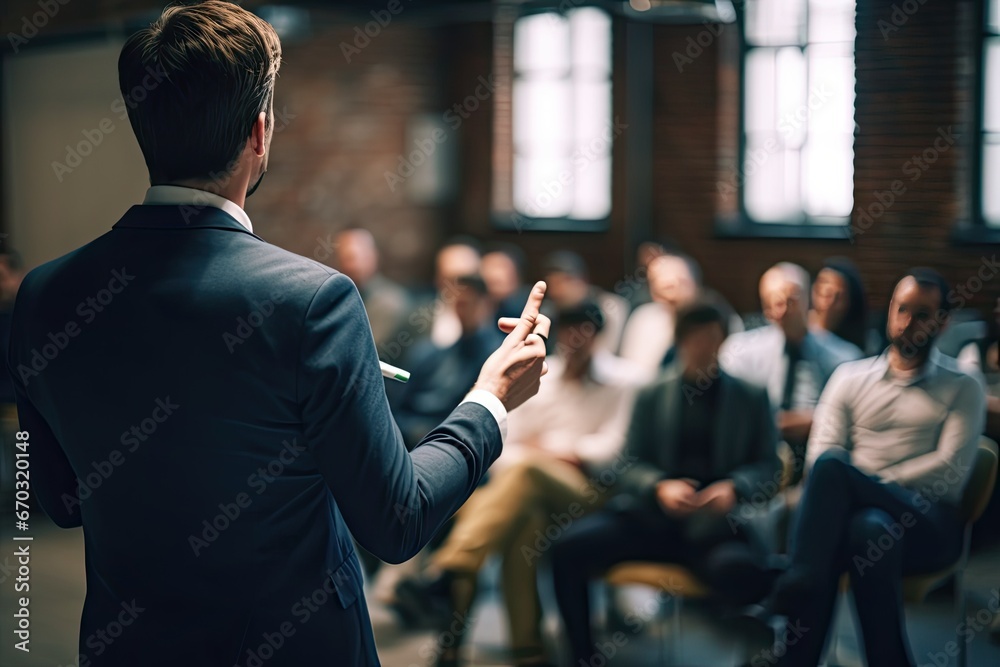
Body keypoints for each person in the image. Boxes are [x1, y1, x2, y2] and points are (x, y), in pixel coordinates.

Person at [5, 4, 550, 666]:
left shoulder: (44, 296)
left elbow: (60, 498)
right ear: (260, 133)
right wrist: (490, 399)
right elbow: (397, 517)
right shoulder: (312, 301)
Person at [756, 268, 986, 666]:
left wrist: (862, 483)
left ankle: (794, 591)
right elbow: (817, 458)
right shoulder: (850, 378)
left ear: (942, 322)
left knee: (836, 473)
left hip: (929, 522)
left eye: (922, 314)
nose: (907, 322)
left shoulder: (963, 385)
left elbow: (949, 473)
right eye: (902, 309)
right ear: (891, 310)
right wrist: (860, 491)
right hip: (864, 524)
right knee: (867, 528)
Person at [405, 301, 642, 667]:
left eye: (585, 331)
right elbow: (509, 444)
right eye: (570, 329)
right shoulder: (544, 375)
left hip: (590, 494)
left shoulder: (624, 380)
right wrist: (557, 452)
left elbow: (611, 451)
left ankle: (446, 570)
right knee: (524, 524)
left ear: (598, 335)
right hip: (528, 491)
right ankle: (525, 650)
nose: (576, 338)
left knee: (524, 474)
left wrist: (549, 452)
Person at [551, 297, 781, 667]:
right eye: (694, 338)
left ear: (723, 340)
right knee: (567, 549)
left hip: (714, 526)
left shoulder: (750, 397)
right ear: (680, 340)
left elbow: (769, 466)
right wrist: (659, 486)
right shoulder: (652, 392)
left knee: (742, 572)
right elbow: (627, 465)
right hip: (652, 519)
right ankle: (582, 655)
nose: (702, 347)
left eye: (711, 338)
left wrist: (734, 487)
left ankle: (759, 648)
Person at [721, 262, 863, 484]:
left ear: (808, 298)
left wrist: (816, 422)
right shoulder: (741, 352)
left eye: (791, 299)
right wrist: (797, 421)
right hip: (755, 455)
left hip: (817, 457)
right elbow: (729, 413)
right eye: (772, 302)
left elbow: (853, 419)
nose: (782, 309)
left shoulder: (844, 358)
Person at [389, 275, 505, 450]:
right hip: (409, 430)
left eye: (468, 304)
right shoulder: (433, 354)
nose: (461, 311)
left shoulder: (495, 356)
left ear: (485, 305)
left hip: (449, 438)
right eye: (458, 304)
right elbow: (398, 403)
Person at [618, 252, 700, 379]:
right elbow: (629, 370)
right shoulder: (643, 319)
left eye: (680, 283)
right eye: (663, 289)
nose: (671, 295)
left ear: (694, 284)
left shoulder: (714, 319)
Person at [334, 227, 410, 353]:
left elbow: (369, 351)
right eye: (346, 258)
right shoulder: (336, 299)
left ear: (374, 255)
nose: (353, 265)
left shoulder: (392, 301)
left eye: (358, 256)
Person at [542, 250, 629, 355]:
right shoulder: (548, 311)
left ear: (581, 280)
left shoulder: (610, 306)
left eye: (561, 283)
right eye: (552, 285)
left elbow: (607, 354)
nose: (556, 291)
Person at [481, 242, 531, 321]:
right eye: (487, 267)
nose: (493, 274)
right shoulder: (477, 312)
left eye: (500, 266)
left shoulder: (530, 306)